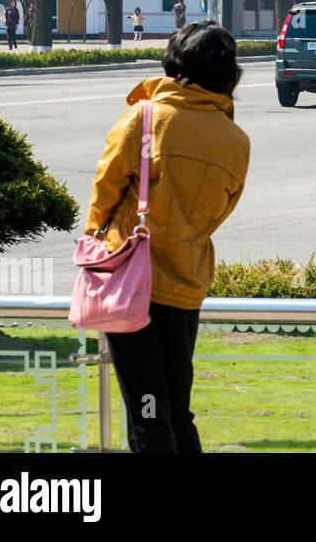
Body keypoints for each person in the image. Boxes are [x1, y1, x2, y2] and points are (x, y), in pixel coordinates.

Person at [87, 22, 251, 452]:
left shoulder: (146, 117)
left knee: (145, 409)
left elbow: (106, 186)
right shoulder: (235, 140)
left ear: (176, 62)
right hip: (187, 281)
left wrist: (94, 236)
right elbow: (222, 208)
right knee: (177, 407)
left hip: (130, 285)